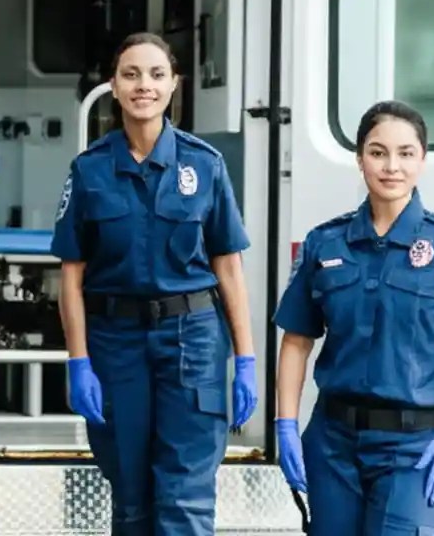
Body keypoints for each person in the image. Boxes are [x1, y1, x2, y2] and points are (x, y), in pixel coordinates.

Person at [50, 32, 258, 535]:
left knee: (184, 503)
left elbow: (228, 268)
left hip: (192, 342)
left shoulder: (204, 165)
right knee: (131, 501)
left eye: (157, 75)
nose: (144, 85)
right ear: (113, 88)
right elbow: (71, 278)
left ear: (174, 86)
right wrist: (78, 362)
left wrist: (246, 360)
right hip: (115, 344)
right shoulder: (90, 170)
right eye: (131, 75)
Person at [273, 100, 434, 535]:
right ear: (360, 158)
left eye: (405, 153)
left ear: (422, 160)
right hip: (334, 443)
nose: (391, 166)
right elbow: (296, 340)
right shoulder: (325, 244)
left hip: (414, 446)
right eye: (378, 152)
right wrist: (285, 424)